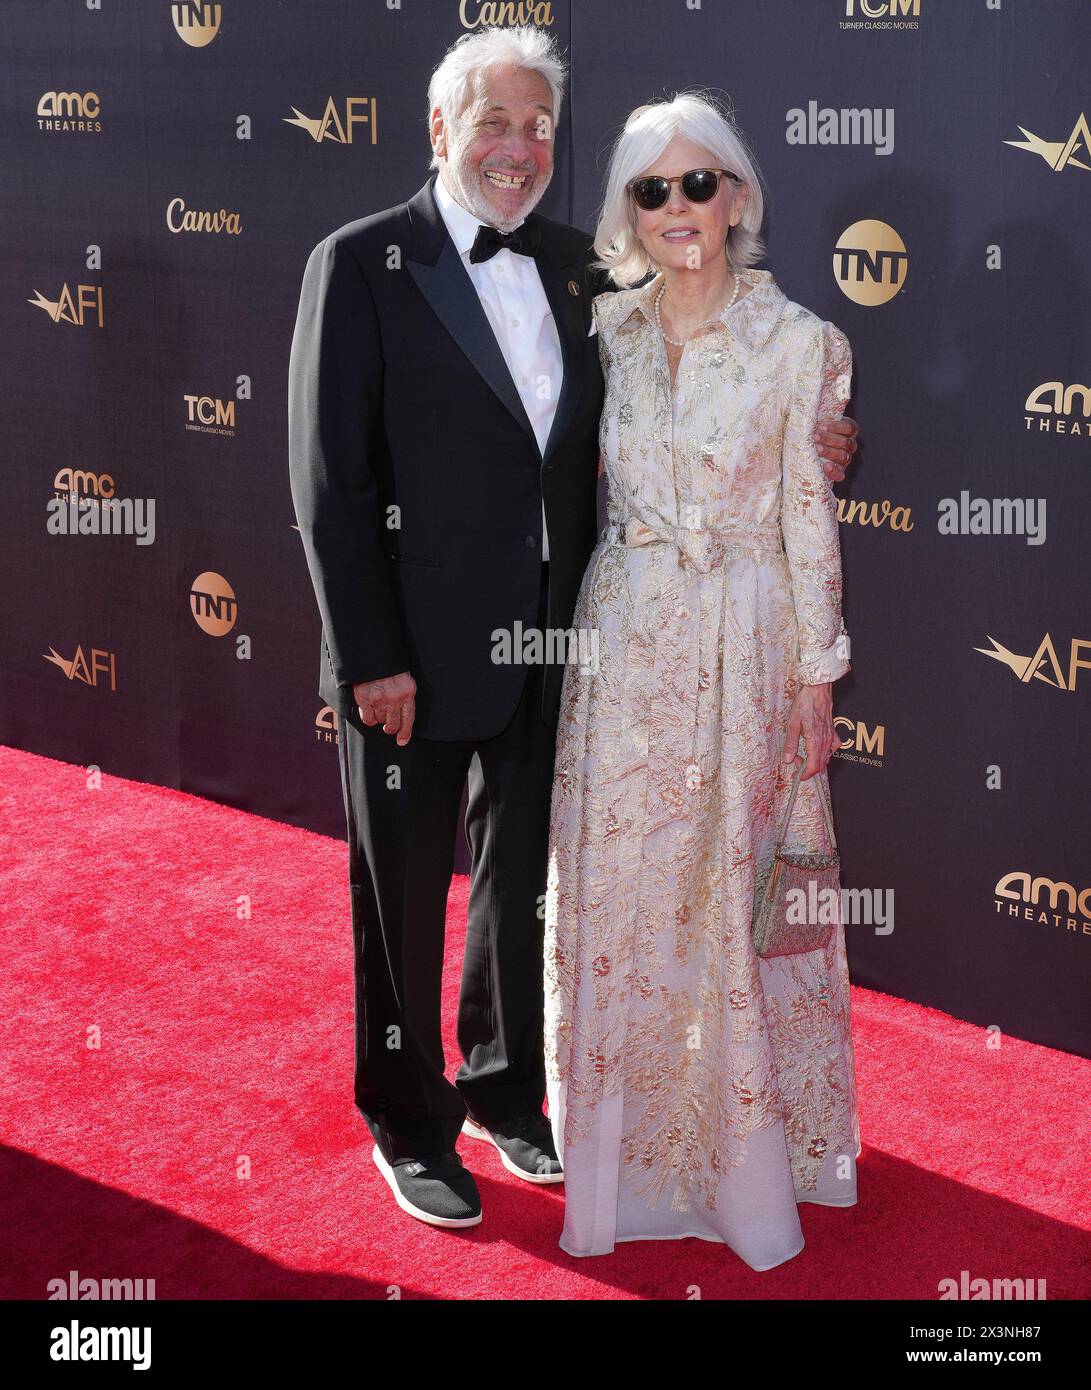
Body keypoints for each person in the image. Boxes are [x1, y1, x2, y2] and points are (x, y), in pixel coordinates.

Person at [288, 27, 859, 1230]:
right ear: (437, 129)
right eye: (492, 122)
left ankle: (505, 1093)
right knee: (395, 892)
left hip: (567, 647)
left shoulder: (582, 276)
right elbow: (330, 481)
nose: (517, 148)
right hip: (411, 654)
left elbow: (729, 384)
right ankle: (406, 1116)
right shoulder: (359, 264)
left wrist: (824, 442)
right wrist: (368, 653)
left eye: (539, 126)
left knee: (524, 885)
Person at [543, 93, 861, 1268]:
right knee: (625, 900)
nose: (678, 210)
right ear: (626, 208)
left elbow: (805, 523)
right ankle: (625, 1165)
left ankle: (741, 1172)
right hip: (622, 646)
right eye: (650, 190)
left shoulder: (804, 345)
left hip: (746, 645)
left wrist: (816, 678)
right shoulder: (606, 330)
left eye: (698, 184)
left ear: (737, 194)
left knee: (731, 905)